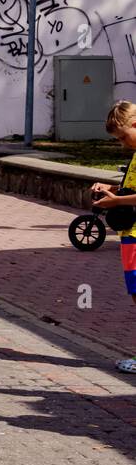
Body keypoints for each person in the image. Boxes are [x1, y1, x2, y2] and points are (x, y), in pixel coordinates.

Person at [93, 101, 136, 372]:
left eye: (123, 137)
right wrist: (110, 189)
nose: (122, 144)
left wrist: (116, 203)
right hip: (130, 234)